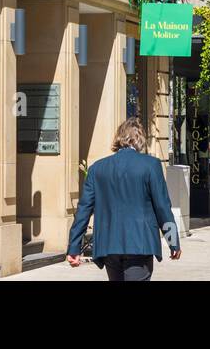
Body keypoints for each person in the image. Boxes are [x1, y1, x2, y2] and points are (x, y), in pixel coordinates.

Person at [67, 118, 181, 280]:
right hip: (140, 244)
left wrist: (74, 247)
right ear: (139, 139)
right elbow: (162, 207)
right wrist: (173, 241)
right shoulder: (151, 165)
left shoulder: (97, 169)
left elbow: (83, 210)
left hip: (109, 245)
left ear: (119, 138)